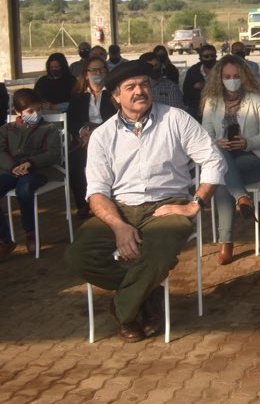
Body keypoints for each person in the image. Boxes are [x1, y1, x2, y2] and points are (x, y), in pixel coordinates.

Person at [64, 62, 226, 342]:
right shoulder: (103, 135)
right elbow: (97, 192)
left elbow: (213, 159)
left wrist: (195, 204)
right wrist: (119, 227)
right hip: (120, 207)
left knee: (159, 251)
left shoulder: (176, 119)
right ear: (116, 96)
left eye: (144, 85)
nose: (140, 91)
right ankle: (148, 292)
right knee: (78, 256)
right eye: (130, 87)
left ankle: (124, 310)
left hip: (167, 205)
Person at [200, 55, 260, 265]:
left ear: (244, 76)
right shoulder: (212, 101)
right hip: (224, 157)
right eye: (227, 76)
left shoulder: (256, 98)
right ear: (219, 78)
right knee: (221, 170)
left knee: (220, 175)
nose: (232, 80)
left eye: (236, 76)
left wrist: (247, 142)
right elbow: (205, 136)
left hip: (253, 159)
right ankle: (242, 197)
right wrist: (218, 143)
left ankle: (226, 242)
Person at [0, 89, 63, 260]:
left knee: (25, 189)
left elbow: (53, 153)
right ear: (18, 112)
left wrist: (30, 163)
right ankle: (4, 240)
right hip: (11, 170)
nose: (36, 114)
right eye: (30, 111)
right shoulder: (7, 129)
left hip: (38, 170)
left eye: (39, 109)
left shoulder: (49, 128)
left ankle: (30, 233)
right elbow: (1, 151)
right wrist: (13, 166)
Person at [68, 56, 117, 218]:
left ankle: (109, 200)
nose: (98, 73)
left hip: (108, 136)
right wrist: (83, 131)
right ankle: (84, 204)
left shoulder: (114, 93)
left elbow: (117, 117)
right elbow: (71, 120)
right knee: (75, 160)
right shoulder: (78, 96)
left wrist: (96, 133)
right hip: (84, 137)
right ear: (86, 74)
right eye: (94, 70)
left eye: (102, 69)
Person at [183, 44, 217, 118]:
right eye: (206, 56)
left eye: (212, 56)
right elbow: (187, 93)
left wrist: (204, 86)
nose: (210, 58)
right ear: (200, 58)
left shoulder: (222, 69)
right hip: (197, 106)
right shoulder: (193, 71)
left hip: (219, 105)